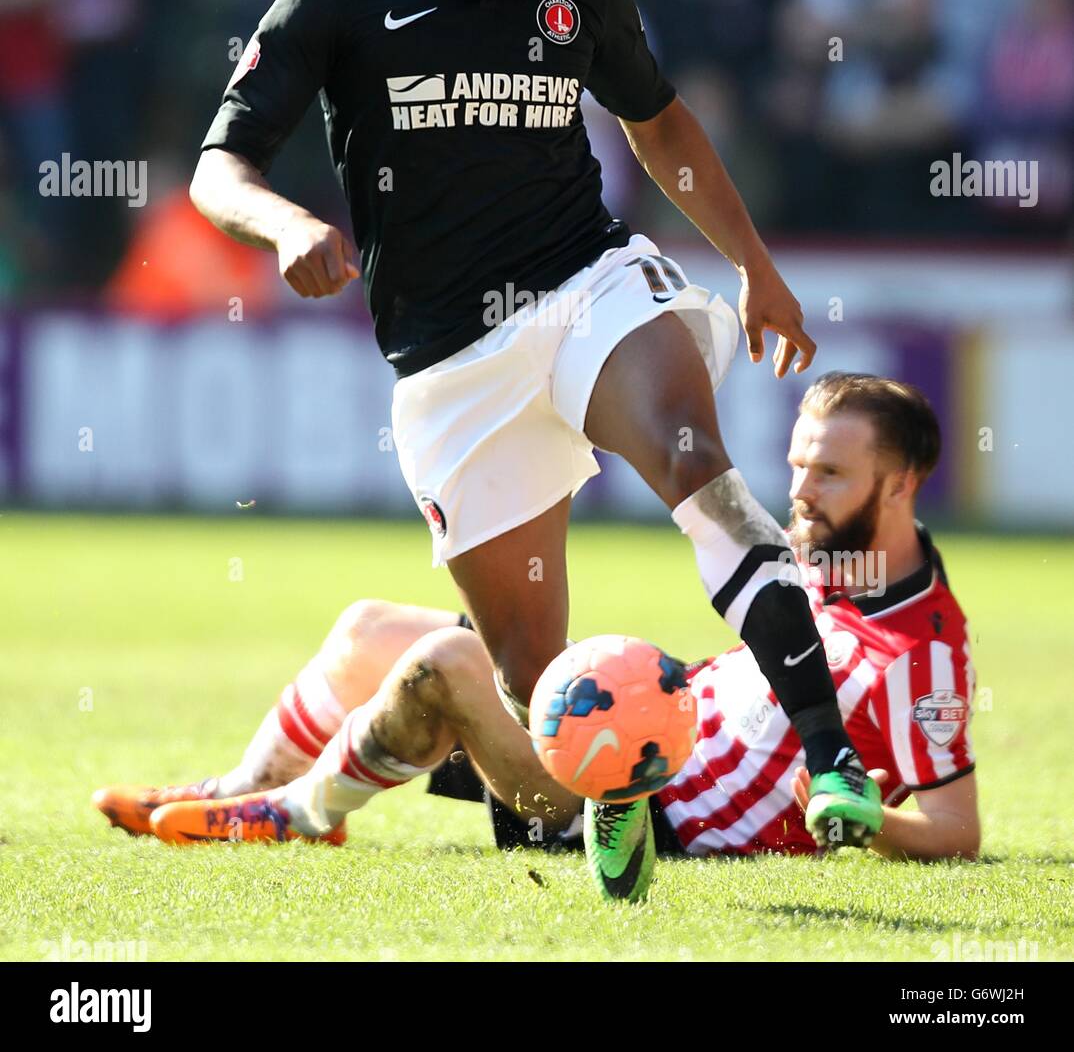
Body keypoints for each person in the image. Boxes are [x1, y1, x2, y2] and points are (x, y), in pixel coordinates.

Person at [187, 0, 880, 899]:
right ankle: (587, 803)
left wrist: (754, 267)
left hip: (585, 286)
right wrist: (279, 224)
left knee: (698, 469)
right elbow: (220, 164)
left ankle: (833, 757)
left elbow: (657, 121)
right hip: (449, 362)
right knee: (529, 679)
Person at [94, 376, 978, 898]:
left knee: (446, 662)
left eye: (830, 473)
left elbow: (956, 825)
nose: (802, 492)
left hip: (645, 814)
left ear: (902, 484)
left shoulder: (923, 651)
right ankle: (241, 791)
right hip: (630, 726)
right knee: (368, 629)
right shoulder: (822, 559)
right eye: (796, 467)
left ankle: (296, 816)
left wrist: (851, 816)